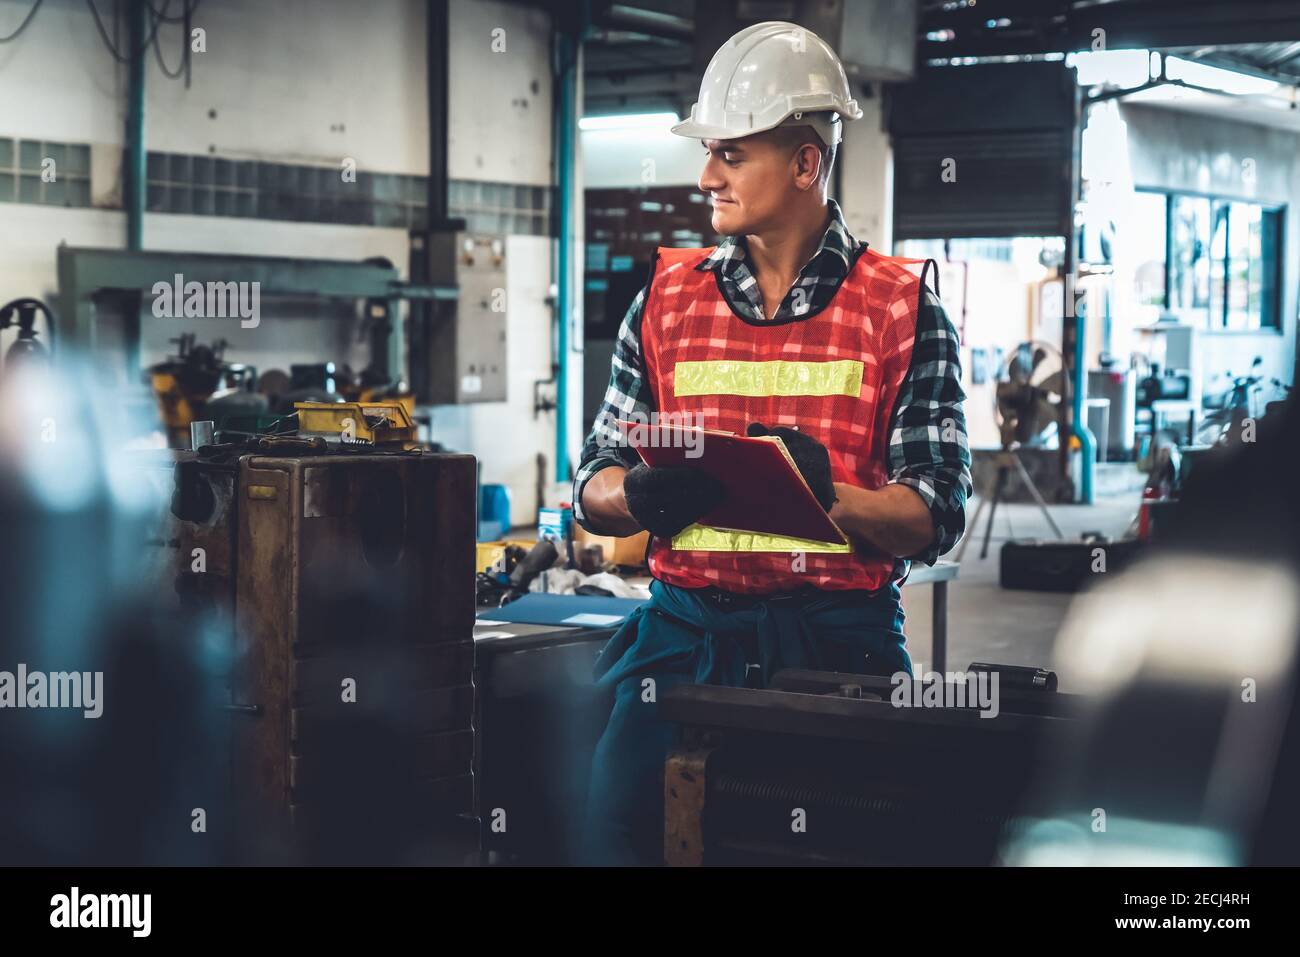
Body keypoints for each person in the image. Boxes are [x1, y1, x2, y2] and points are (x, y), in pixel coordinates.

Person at [574, 21, 972, 865]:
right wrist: (634, 497)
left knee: (842, 845)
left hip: (835, 645)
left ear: (805, 163)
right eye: (709, 150)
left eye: (731, 153)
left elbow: (937, 509)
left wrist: (824, 498)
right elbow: (592, 483)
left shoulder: (900, 308)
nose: (706, 175)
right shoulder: (664, 300)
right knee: (613, 829)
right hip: (680, 641)